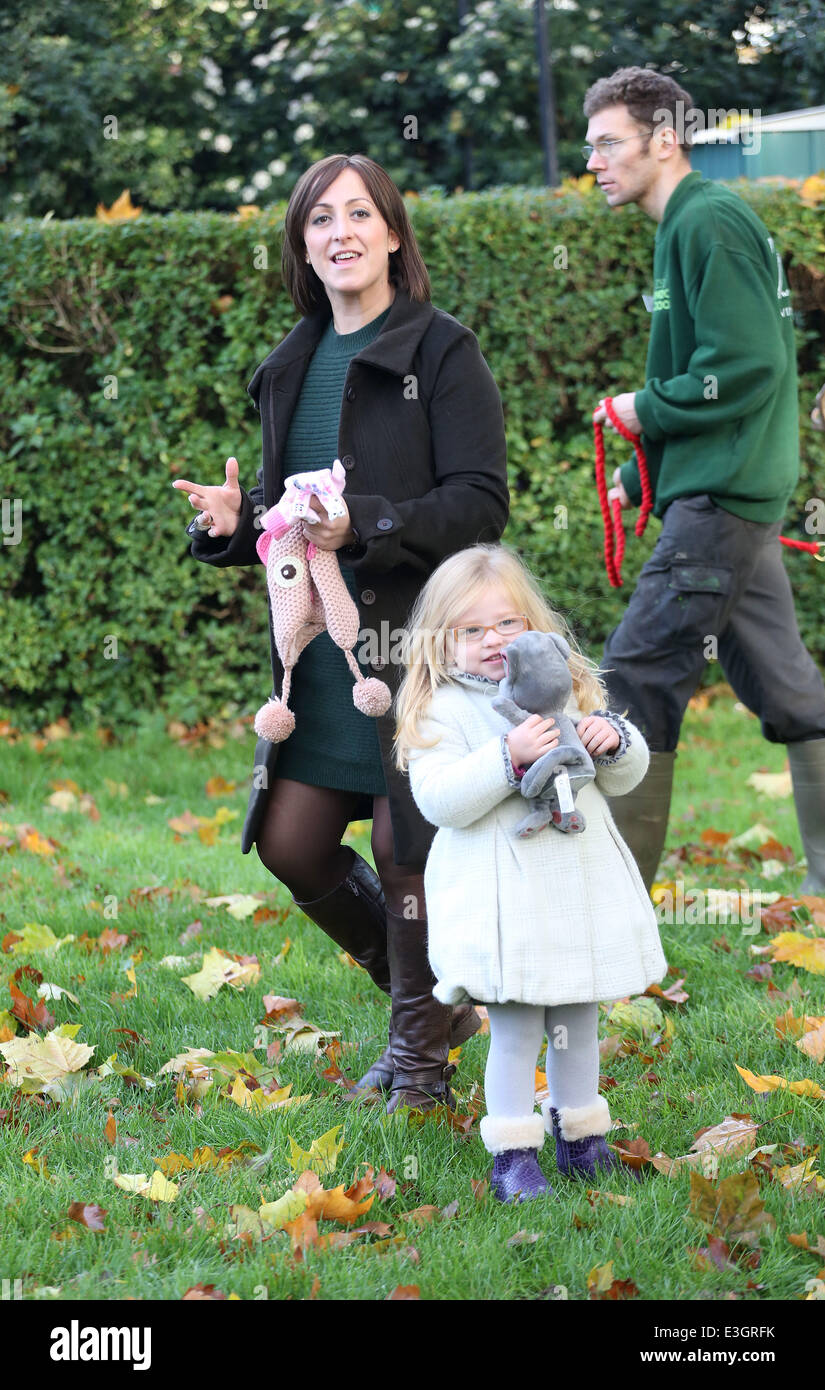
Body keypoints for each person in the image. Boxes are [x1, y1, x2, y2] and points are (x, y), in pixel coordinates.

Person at [172, 154, 509, 1112]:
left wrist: (368, 523)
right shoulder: (290, 364)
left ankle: (417, 1064)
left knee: (407, 853)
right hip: (319, 660)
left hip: (416, 647)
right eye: (320, 220)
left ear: (393, 234)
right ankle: (440, 1009)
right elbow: (289, 532)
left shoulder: (441, 350)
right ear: (302, 245)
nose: (340, 233)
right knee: (290, 845)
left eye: (359, 214)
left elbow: (481, 503)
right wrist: (238, 528)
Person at [583, 66, 825, 895]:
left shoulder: (706, 221)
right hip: (731, 492)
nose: (594, 161)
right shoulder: (686, 223)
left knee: (637, 674)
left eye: (608, 142)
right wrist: (637, 472)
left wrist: (640, 410)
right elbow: (714, 380)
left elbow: (747, 368)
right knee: (792, 694)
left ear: (664, 139)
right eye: (591, 146)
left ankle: (608, 916)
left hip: (723, 503)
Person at [394, 543, 667, 1202]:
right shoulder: (443, 710)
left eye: (507, 624)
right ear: (441, 641)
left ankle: (580, 1136)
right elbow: (440, 800)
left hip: (575, 897)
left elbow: (625, 777)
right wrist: (505, 758)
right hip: (505, 909)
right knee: (515, 1032)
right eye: (471, 630)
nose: (493, 640)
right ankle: (512, 1153)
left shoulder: (562, 687)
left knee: (579, 1021)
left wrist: (612, 741)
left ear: (533, 625)